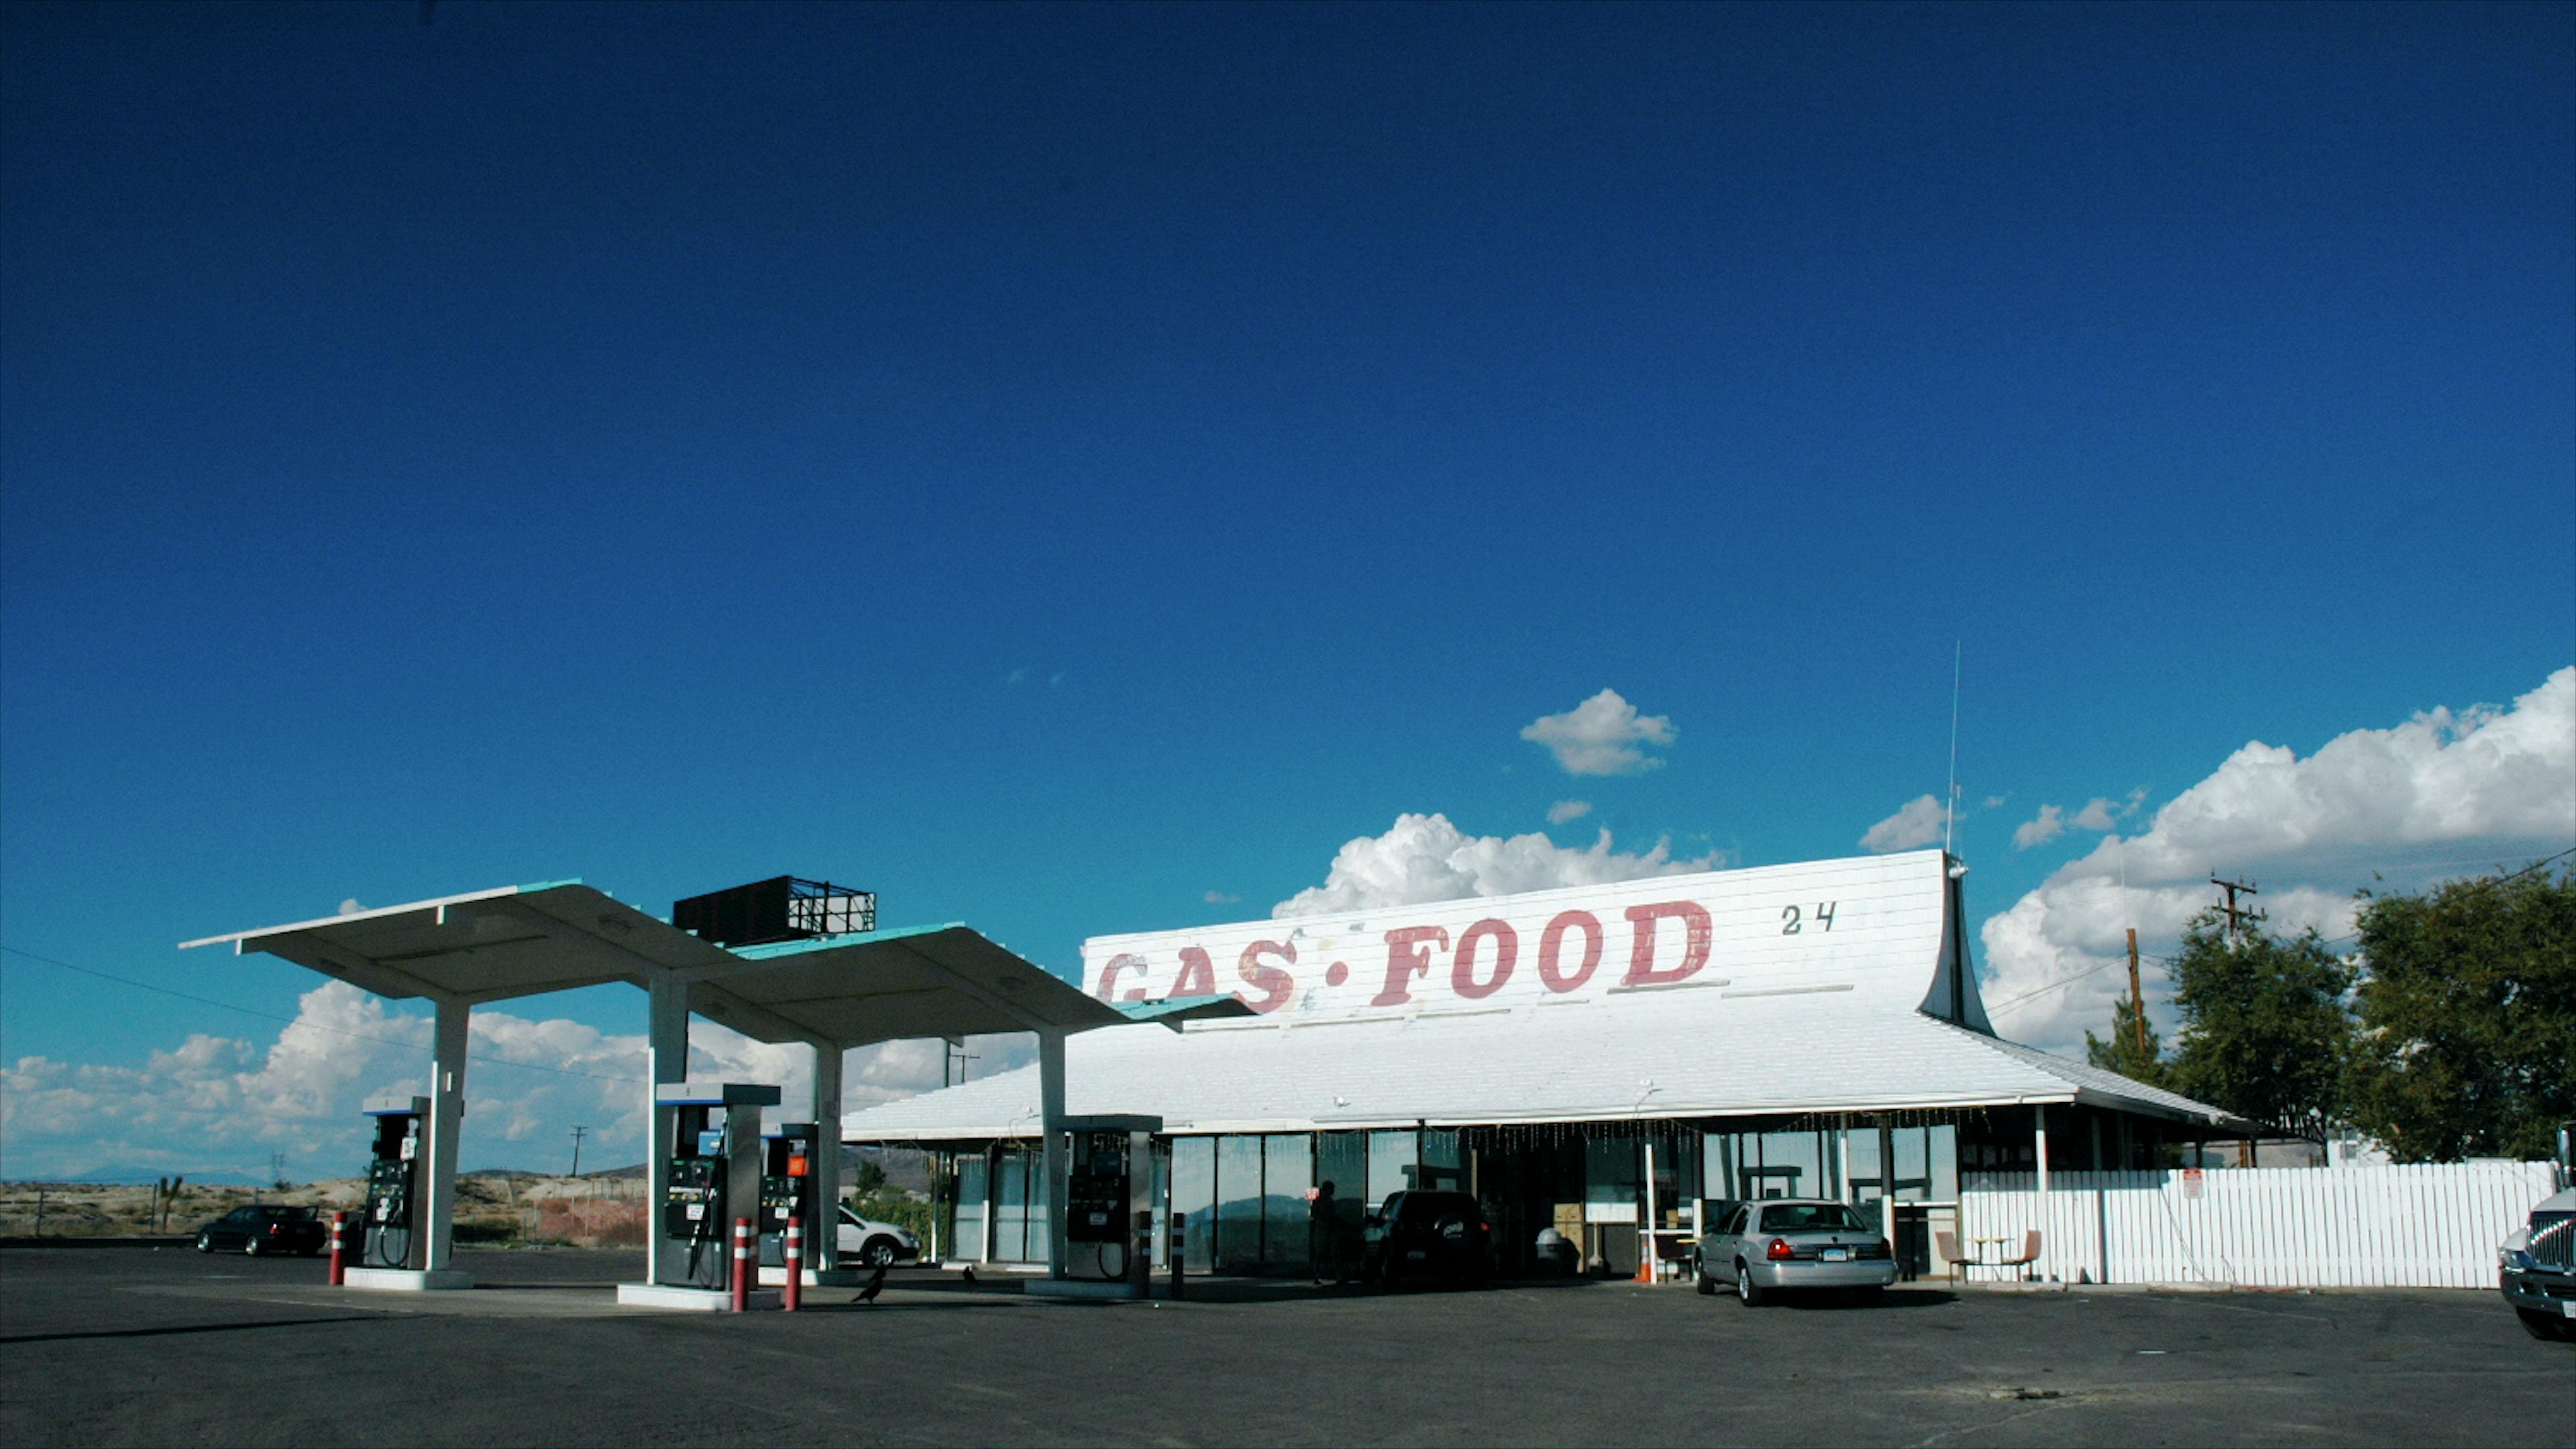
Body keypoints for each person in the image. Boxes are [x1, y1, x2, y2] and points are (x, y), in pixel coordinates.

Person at [1309, 1180, 1343, 1284]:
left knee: (1328, 1253)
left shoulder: (1323, 1201)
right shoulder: (1321, 1201)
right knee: (1324, 1253)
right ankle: (1332, 1275)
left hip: (1326, 1229)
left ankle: (1321, 1275)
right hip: (1323, 1229)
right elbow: (1316, 1214)